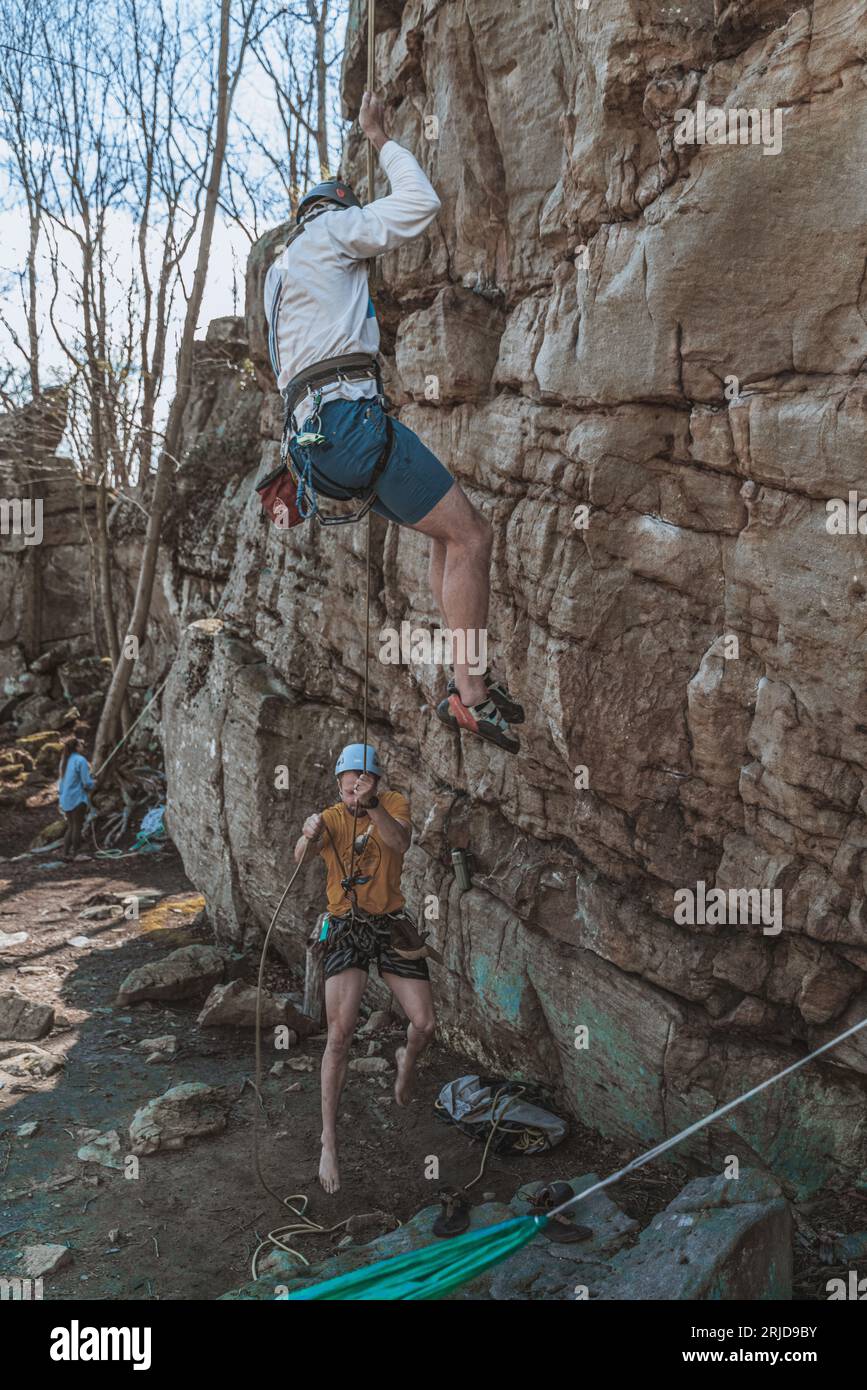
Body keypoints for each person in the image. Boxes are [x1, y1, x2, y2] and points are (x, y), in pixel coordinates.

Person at [264, 91, 525, 755]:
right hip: (350, 424)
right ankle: (470, 693)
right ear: (332, 215)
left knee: (445, 536)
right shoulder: (327, 233)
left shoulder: (280, 273)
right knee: (472, 536)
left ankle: (463, 679)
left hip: (319, 445)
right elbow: (418, 204)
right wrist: (380, 139)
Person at [294, 742, 438, 1194]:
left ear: (377, 782)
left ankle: (406, 1059)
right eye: (348, 781)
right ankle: (329, 1142)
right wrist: (307, 832)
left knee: (425, 1022)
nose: (354, 786)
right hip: (344, 927)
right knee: (339, 1036)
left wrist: (372, 804)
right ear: (338, 783)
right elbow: (300, 857)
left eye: (364, 779)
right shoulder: (332, 817)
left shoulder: (393, 805)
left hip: (390, 924)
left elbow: (400, 841)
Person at [57, 737, 94, 862]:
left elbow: (62, 782)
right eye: (81, 744)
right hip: (77, 798)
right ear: (76, 747)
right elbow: (86, 782)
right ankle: (76, 854)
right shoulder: (81, 760)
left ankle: (65, 853)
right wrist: (94, 782)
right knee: (77, 826)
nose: (83, 746)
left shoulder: (64, 761)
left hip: (65, 798)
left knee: (71, 826)